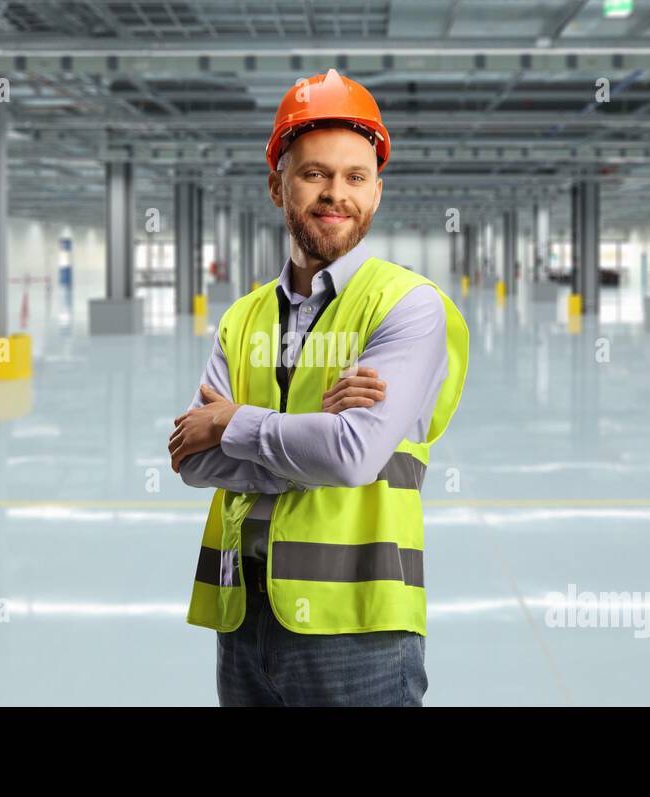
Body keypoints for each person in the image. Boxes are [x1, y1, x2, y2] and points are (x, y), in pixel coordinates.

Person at [168, 68, 469, 706]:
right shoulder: (244, 315)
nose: (337, 193)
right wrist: (311, 443)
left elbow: (352, 456)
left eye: (356, 177)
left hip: (361, 626)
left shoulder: (407, 306)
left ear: (378, 191)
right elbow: (192, 461)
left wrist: (232, 425)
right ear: (277, 186)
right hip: (244, 618)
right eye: (314, 174)